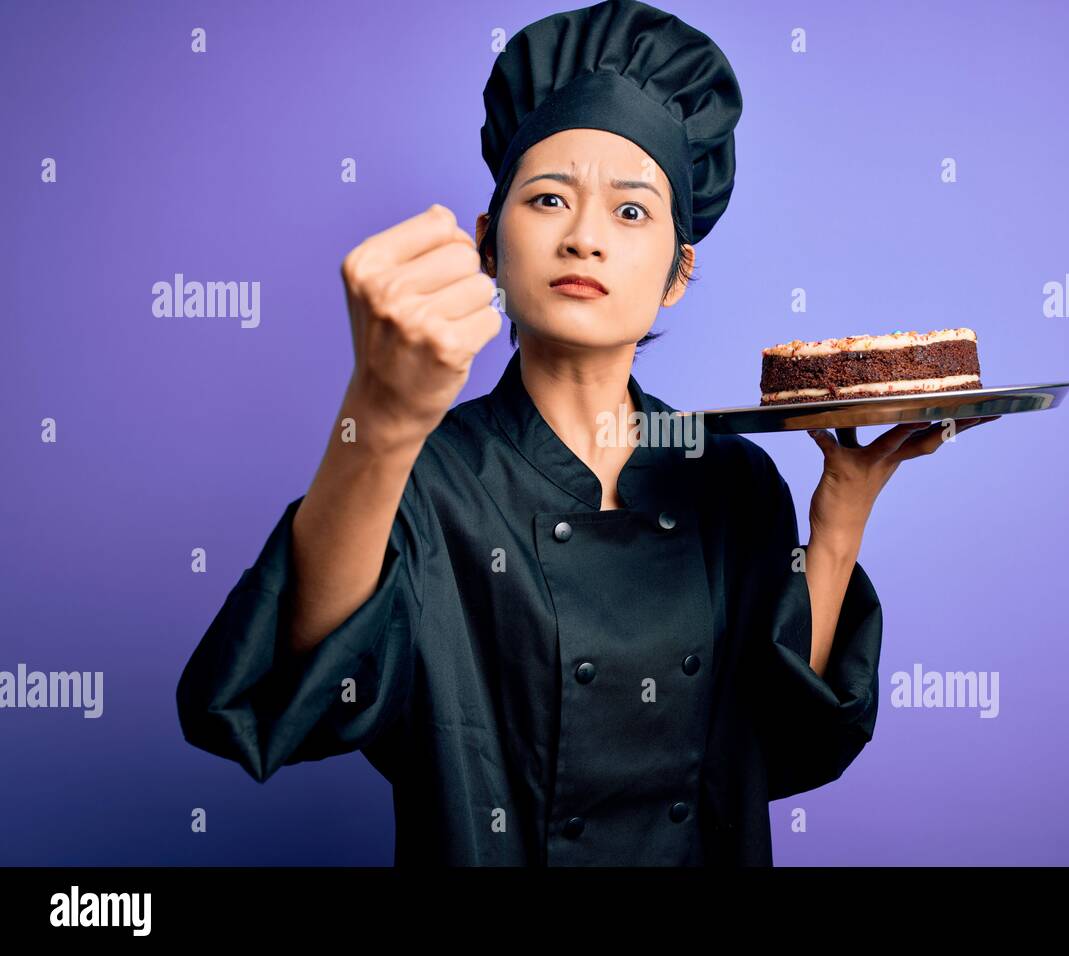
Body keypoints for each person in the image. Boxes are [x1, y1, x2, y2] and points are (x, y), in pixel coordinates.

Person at [175, 0, 996, 866]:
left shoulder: (733, 480)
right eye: (548, 198)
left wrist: (839, 515)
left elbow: (785, 741)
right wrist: (376, 421)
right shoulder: (421, 476)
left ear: (680, 272)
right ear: (489, 244)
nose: (584, 238)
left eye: (632, 212)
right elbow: (288, 694)